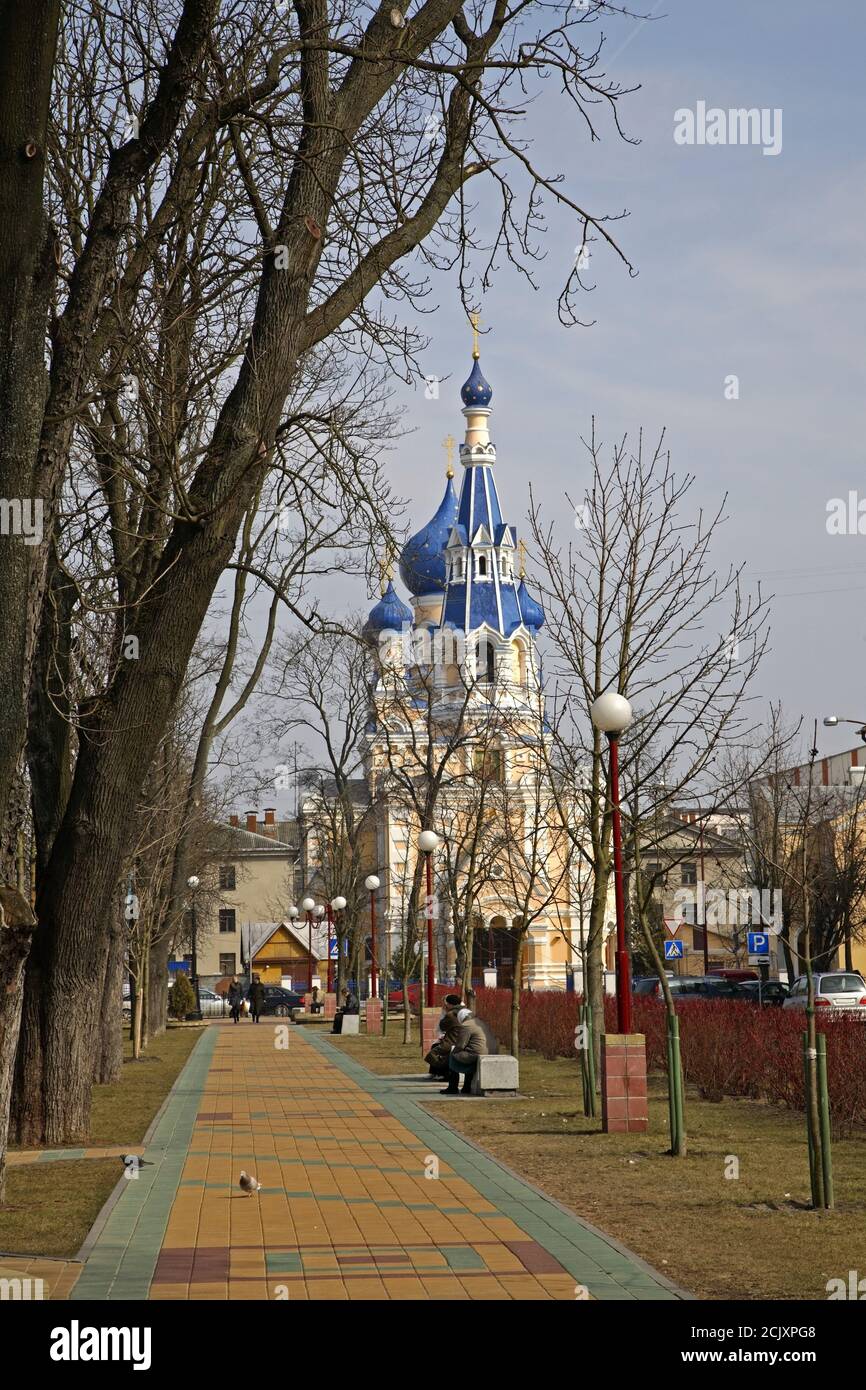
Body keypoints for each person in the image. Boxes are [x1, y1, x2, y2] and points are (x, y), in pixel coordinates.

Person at [440, 1006, 488, 1095]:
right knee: (463, 1056)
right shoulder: (479, 1022)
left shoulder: (466, 1026)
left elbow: (460, 1045)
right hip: (487, 1052)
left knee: (452, 1056)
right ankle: (466, 1086)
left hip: (475, 1054)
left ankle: (452, 1087)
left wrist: (453, 1052)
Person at [424, 993, 463, 1080]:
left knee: (435, 1052)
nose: (445, 1005)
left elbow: (442, 1026)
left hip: (455, 1041)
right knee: (435, 1046)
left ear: (449, 1004)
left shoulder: (452, 1013)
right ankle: (434, 1072)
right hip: (455, 1039)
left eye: (446, 1004)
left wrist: (446, 1014)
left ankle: (442, 1072)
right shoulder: (461, 1011)